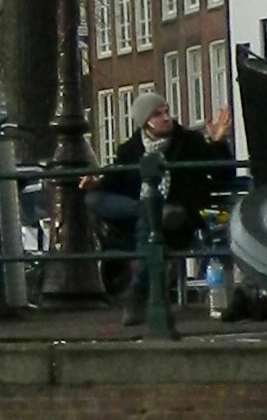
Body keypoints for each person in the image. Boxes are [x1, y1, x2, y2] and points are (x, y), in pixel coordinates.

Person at [95, 96, 234, 312]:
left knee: (151, 222)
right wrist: (94, 184)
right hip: (140, 221)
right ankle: (144, 211)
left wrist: (218, 141)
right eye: (158, 114)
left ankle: (137, 295)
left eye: (166, 111)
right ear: (145, 122)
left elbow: (223, 172)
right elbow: (114, 182)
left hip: (177, 216)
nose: (166, 117)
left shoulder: (188, 141)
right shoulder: (129, 150)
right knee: (98, 200)